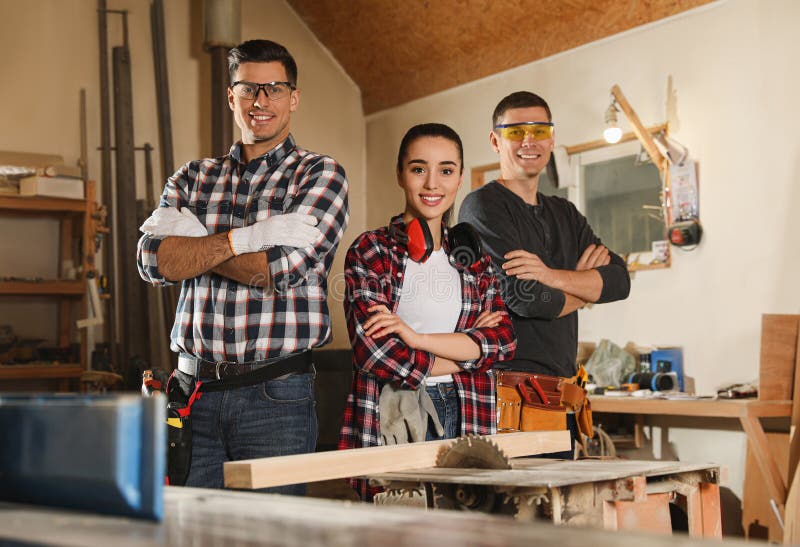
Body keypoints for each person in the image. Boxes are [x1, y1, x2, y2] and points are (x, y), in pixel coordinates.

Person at [136, 39, 349, 493]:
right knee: (189, 535)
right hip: (191, 392)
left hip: (276, 395)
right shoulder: (193, 177)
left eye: (274, 88)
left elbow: (278, 272)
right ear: (231, 96)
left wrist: (195, 239)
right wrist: (248, 238)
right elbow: (153, 260)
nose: (261, 101)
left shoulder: (318, 175)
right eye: (248, 89)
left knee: (271, 536)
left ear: (293, 97)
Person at [338, 123, 516, 498]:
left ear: (460, 177)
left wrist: (415, 337)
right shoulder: (371, 250)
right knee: (402, 530)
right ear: (400, 174)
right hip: (397, 411)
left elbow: (503, 342)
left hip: (469, 410)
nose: (433, 184)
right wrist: (469, 352)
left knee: (468, 530)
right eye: (419, 169)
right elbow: (377, 353)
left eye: (446, 171)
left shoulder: (472, 257)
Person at [458, 91, 631, 455]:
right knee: (515, 512)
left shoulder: (565, 213)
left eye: (538, 130)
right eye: (515, 131)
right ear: (495, 140)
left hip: (562, 398)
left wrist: (551, 276)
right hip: (510, 400)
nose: (528, 141)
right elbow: (523, 298)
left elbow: (619, 280)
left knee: (559, 510)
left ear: (552, 139)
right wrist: (585, 290)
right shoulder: (483, 206)